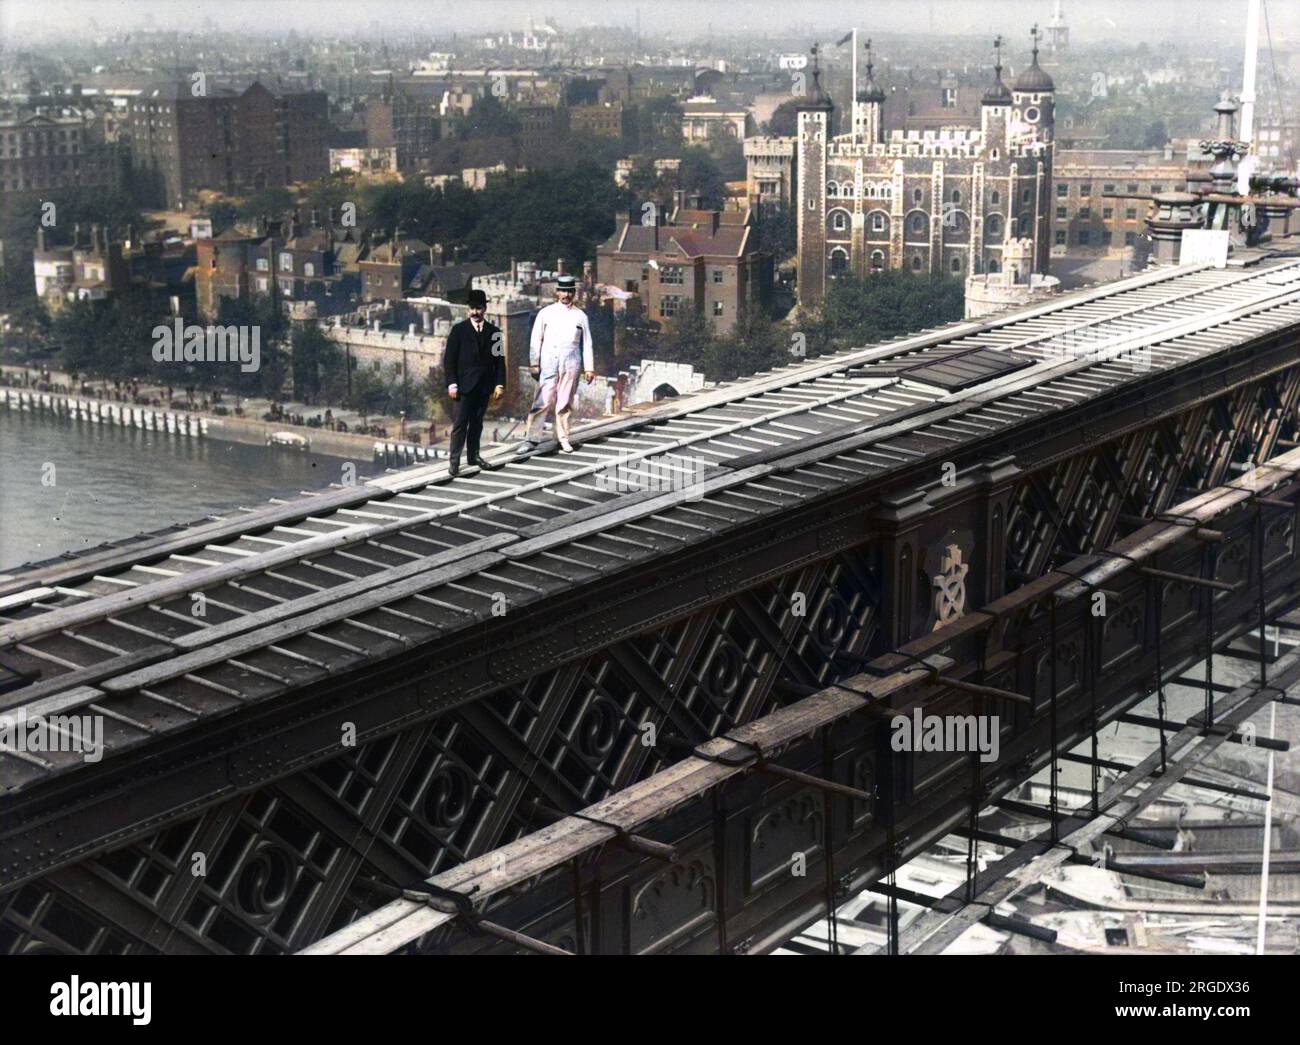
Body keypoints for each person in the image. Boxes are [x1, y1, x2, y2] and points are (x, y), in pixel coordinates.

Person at [517, 274, 594, 455]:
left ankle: (562, 438)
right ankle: (531, 439)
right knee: (542, 400)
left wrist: (589, 368)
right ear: (557, 292)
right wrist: (534, 363)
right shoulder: (546, 313)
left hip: (571, 362)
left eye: (569, 291)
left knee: (565, 401)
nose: (566, 295)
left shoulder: (580, 316)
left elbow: (587, 343)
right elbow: (536, 339)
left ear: (574, 293)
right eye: (563, 291)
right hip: (548, 362)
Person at [443, 288, 506, 477]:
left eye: (478, 308)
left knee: (477, 423)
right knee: (460, 424)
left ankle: (474, 456)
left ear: (485, 309)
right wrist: (452, 384)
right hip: (464, 387)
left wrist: (499, 384)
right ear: (468, 309)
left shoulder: (495, 333)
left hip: (484, 386)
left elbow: (499, 361)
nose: (475, 312)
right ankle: (454, 462)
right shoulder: (458, 331)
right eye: (472, 308)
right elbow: (449, 360)